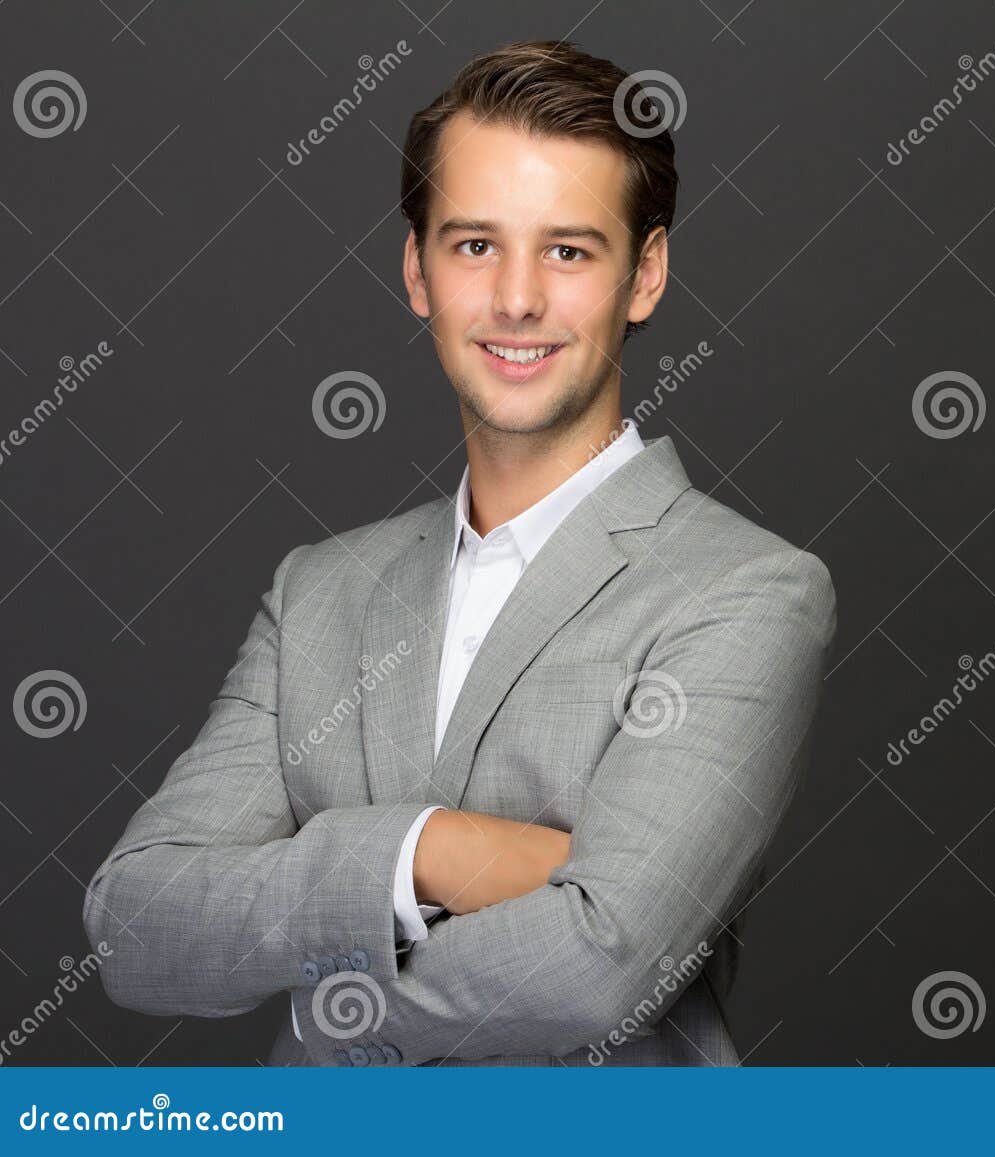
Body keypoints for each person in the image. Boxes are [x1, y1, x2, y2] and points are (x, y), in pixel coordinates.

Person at [82, 39, 836, 1067]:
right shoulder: (320, 592)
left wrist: (328, 1008)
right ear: (417, 271)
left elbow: (603, 959)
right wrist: (420, 851)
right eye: (475, 245)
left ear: (645, 273)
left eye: (567, 250)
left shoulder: (745, 591)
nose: (516, 298)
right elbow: (136, 923)